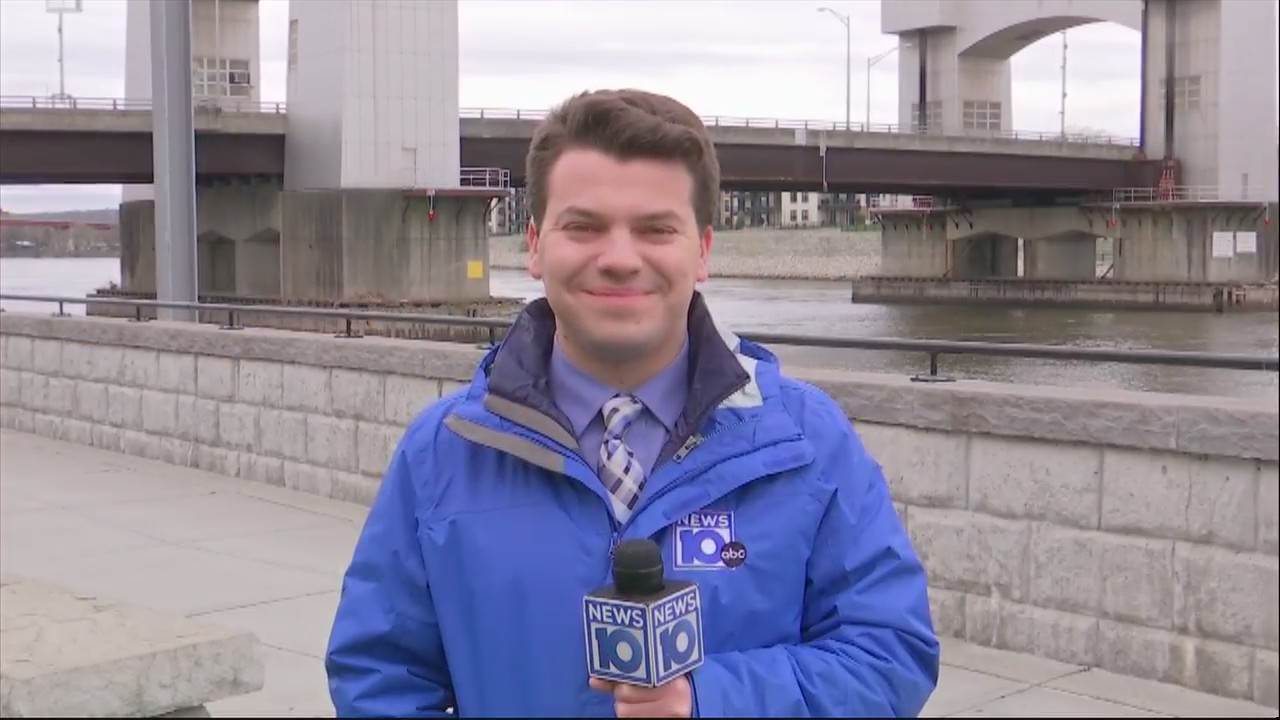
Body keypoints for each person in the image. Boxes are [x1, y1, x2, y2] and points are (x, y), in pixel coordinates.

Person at [324, 88, 940, 718]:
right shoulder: (441, 454)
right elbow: (380, 681)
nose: (619, 259)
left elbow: (889, 657)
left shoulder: (808, 443)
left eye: (655, 229)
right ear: (533, 245)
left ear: (701, 251)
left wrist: (708, 701)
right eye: (584, 227)